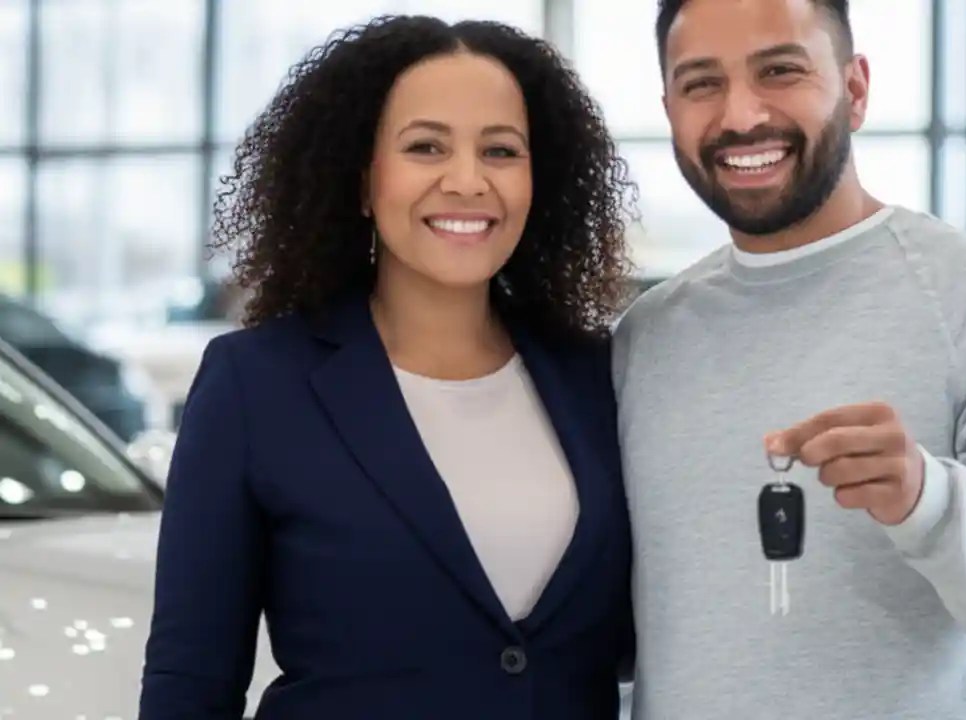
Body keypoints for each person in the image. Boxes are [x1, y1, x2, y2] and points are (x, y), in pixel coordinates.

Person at [610, 0, 966, 718]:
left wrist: (931, 501)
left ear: (854, 90)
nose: (740, 115)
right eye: (702, 84)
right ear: (669, 108)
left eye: (780, 71)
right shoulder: (646, 338)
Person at [140, 15, 637, 720]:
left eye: (501, 151)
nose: (467, 181)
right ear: (363, 181)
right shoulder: (255, 384)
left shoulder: (597, 376)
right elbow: (190, 679)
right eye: (426, 146)